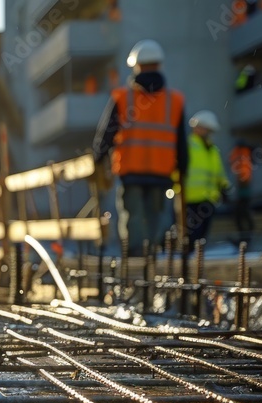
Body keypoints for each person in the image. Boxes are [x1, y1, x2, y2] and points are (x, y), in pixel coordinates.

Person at [92, 39, 187, 256]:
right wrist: (183, 167)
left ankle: (135, 260)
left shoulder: (124, 97)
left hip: (131, 171)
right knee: (156, 215)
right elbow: (181, 140)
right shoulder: (175, 100)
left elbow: (107, 132)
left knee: (133, 215)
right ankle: (151, 256)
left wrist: (98, 156)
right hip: (161, 172)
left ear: (137, 66)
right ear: (159, 65)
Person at [184, 111, 229, 247]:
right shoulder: (188, 146)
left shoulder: (212, 149)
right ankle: (189, 260)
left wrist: (224, 187)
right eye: (206, 129)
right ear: (197, 127)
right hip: (190, 199)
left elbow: (218, 172)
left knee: (202, 235)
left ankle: (196, 259)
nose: (208, 133)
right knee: (191, 234)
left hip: (208, 198)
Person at [230, 140, 256, 246]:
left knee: (241, 214)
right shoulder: (244, 154)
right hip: (243, 189)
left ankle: (245, 237)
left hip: (243, 189)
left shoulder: (242, 154)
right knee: (243, 214)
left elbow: (244, 173)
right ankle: (245, 236)